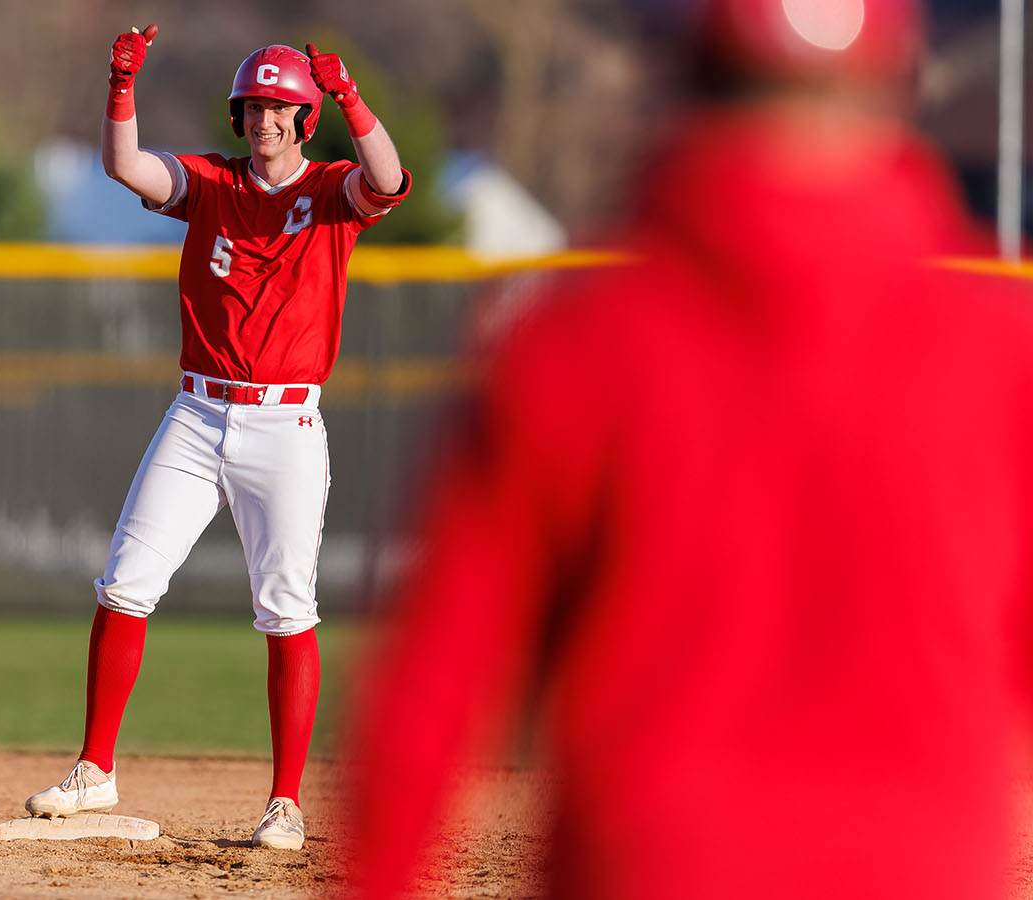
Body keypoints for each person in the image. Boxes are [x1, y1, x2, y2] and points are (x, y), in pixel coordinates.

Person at [340, 0, 1033, 897]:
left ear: (691, 87)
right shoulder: (999, 349)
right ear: (900, 90)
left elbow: (430, 692)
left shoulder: (572, 344)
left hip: (652, 865)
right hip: (922, 866)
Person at [23, 25, 410, 850]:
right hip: (197, 413)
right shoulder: (210, 181)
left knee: (286, 607)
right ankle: (95, 767)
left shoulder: (336, 189)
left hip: (287, 422)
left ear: (304, 119)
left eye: (279, 107)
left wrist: (349, 96)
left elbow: (389, 179)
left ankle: (285, 803)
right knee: (125, 581)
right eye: (253, 106)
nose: (263, 119)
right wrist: (121, 81)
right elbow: (126, 166)